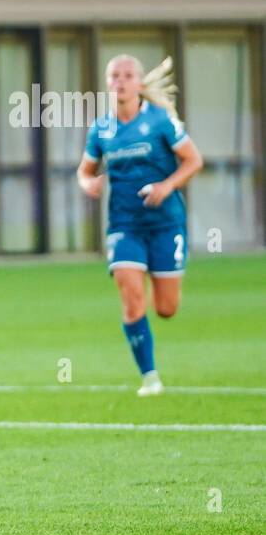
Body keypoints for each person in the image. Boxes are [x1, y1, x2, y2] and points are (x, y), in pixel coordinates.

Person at [77, 55, 203, 396]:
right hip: (124, 224)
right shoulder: (101, 128)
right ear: (107, 82)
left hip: (165, 223)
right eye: (114, 75)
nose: (120, 80)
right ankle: (150, 377)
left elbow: (194, 160)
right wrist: (87, 183)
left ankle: (154, 276)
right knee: (132, 300)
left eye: (127, 75)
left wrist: (167, 186)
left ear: (139, 82)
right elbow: (85, 170)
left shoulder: (161, 121)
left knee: (165, 309)